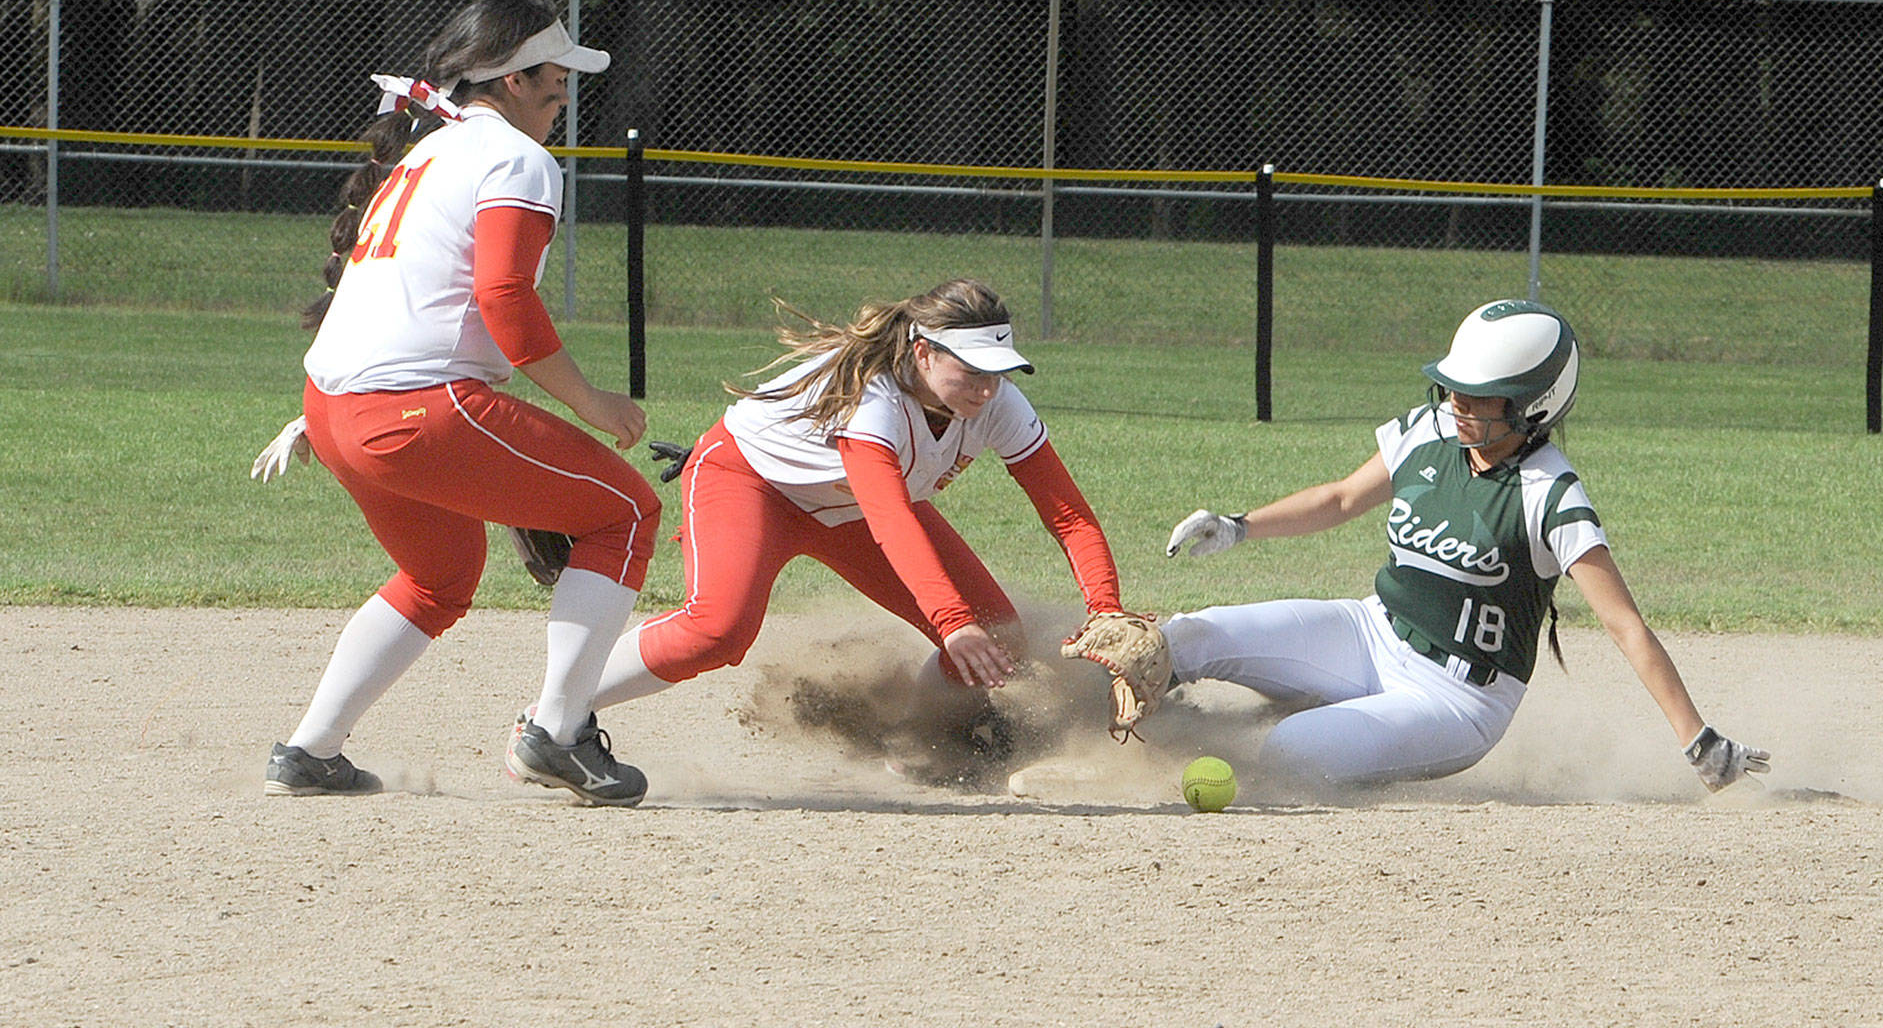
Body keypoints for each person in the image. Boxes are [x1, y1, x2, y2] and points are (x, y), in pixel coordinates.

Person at [253, 0, 661, 805]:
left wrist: (324, 413)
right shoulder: (516, 159)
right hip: (416, 408)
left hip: (337, 407)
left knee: (440, 576)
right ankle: (556, 732)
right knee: (625, 513)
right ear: (512, 79)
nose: (564, 91)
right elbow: (507, 299)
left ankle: (310, 752)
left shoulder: (429, 150)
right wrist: (591, 402)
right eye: (554, 75)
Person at [1159, 299, 1769, 794]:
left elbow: (1626, 627)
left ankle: (1296, 725)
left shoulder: (1550, 494)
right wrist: (1238, 525)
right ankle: (1108, 729)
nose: (1457, 401)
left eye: (1479, 395)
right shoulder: (1430, 432)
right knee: (1183, 637)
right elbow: (1342, 498)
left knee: (1291, 753)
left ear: (1533, 404)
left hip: (1456, 698)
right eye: (1455, 387)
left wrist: (1700, 741)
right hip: (1370, 632)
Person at [582, 278, 1126, 734]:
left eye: (997, 371)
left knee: (998, 632)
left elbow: (1069, 515)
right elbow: (891, 519)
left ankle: (923, 746)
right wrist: (952, 621)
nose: (987, 389)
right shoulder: (875, 398)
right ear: (923, 352)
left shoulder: (997, 403)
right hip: (750, 482)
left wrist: (1105, 609)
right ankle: (555, 715)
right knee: (718, 630)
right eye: (972, 369)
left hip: (851, 507)